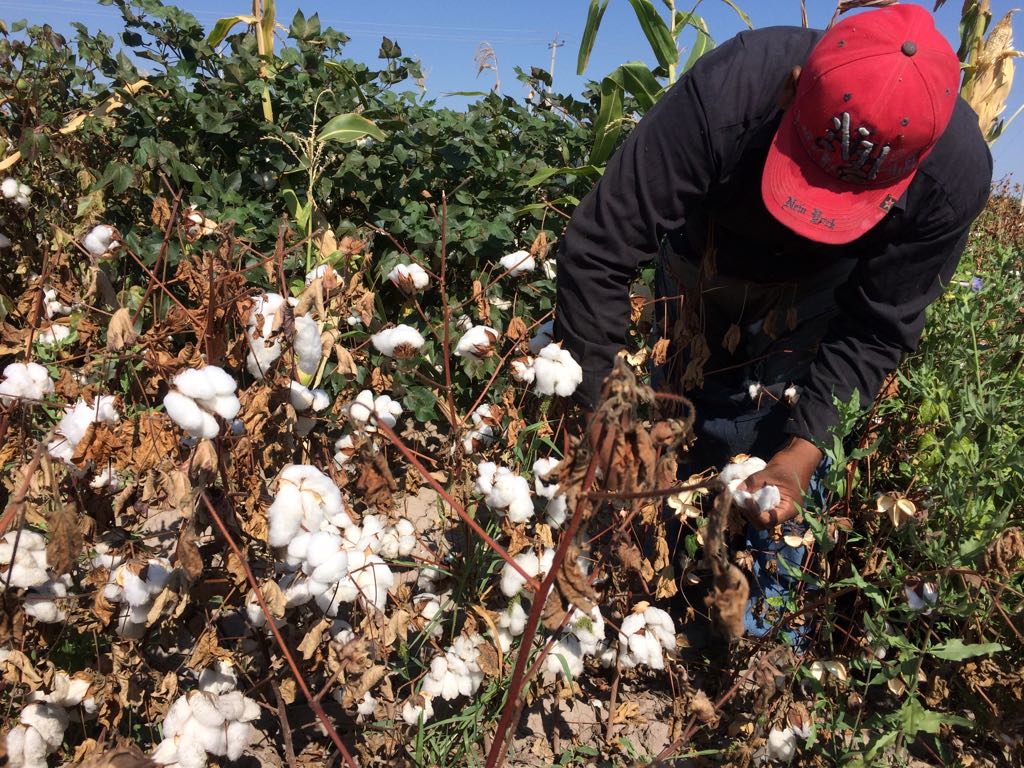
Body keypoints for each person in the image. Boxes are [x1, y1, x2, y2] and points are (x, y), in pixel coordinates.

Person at [555, 4, 993, 634]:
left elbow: (876, 328)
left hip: (821, 289)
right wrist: (608, 418)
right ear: (792, 88)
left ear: (914, 169)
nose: (815, 212)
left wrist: (799, 455)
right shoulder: (729, 91)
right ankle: (659, 563)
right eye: (811, 178)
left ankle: (750, 634)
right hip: (704, 252)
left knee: (766, 462)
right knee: (678, 416)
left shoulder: (951, 176)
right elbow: (600, 248)